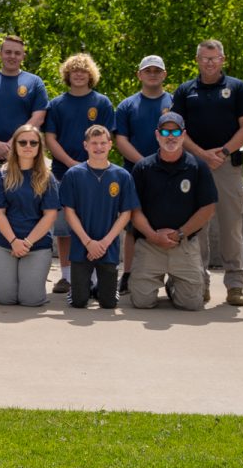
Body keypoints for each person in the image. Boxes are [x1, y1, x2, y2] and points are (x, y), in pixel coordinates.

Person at [172, 39, 243, 307]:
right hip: (195, 167)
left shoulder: (238, 88)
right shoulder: (185, 91)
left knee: (232, 227)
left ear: (223, 59)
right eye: (204, 58)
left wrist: (223, 152)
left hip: (227, 167)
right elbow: (177, 130)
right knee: (198, 228)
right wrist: (202, 155)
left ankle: (235, 285)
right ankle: (200, 283)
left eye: (214, 58)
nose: (209, 62)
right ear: (197, 60)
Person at [129, 112, 217, 310]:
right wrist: (152, 236)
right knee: (142, 302)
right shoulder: (143, 168)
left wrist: (179, 234)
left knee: (192, 304)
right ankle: (155, 280)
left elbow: (208, 207)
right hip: (150, 245)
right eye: (166, 131)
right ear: (157, 135)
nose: (171, 136)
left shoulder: (198, 167)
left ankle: (173, 284)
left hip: (184, 245)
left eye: (176, 131)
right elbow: (133, 210)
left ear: (183, 134)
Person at [43, 53, 115, 294]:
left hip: (97, 174)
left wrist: (89, 164)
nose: (79, 74)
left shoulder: (102, 103)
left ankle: (93, 277)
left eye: (83, 70)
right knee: (64, 228)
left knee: (93, 224)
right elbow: (50, 138)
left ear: (90, 74)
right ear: (68, 74)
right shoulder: (56, 104)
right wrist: (73, 163)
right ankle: (66, 276)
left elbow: (105, 138)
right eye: (74, 70)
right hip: (64, 173)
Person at [59, 125, 138, 310]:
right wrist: (88, 242)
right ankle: (82, 289)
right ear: (85, 145)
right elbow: (69, 213)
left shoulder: (122, 176)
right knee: (79, 302)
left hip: (108, 246)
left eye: (103, 143)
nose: (99, 147)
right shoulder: (73, 175)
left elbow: (126, 213)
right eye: (94, 143)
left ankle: (99, 288)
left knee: (108, 303)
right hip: (81, 246)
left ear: (110, 145)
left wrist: (105, 242)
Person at [113, 55, 174, 295]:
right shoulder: (127, 105)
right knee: (133, 227)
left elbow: (181, 137)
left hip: (170, 173)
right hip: (136, 173)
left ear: (164, 74)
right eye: (147, 70)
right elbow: (121, 140)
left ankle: (173, 277)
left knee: (169, 223)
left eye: (157, 70)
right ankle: (128, 274)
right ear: (139, 74)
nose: (152, 74)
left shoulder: (175, 103)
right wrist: (146, 163)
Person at [0, 124, 61, 306]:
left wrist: (27, 243)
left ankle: (30, 283)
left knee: (31, 300)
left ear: (39, 147)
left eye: (33, 143)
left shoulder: (47, 177)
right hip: (5, 243)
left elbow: (50, 216)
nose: (28, 146)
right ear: (15, 146)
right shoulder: (2, 175)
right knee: (5, 299)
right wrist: (14, 241)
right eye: (22, 142)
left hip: (36, 245)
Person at [0, 34, 48, 168]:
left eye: (17, 53)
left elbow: (39, 118)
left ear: (23, 56)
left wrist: (13, 144)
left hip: (24, 157)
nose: (12, 56)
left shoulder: (35, 82)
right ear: (0, 54)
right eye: (8, 52)